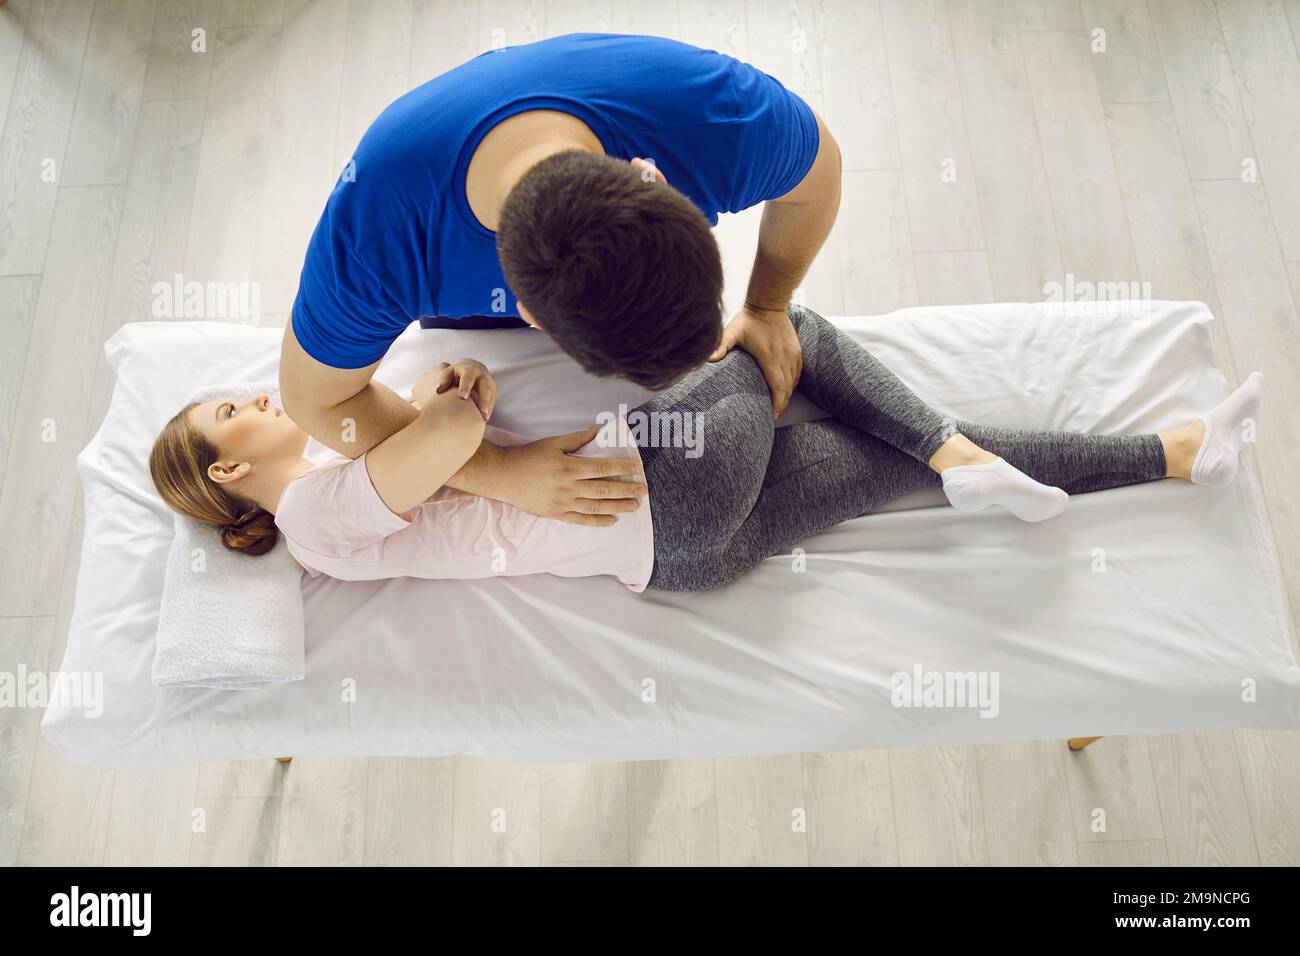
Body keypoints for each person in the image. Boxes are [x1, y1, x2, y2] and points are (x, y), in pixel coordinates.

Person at [151, 306, 1263, 593]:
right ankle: (943, 440)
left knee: (898, 474)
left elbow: (446, 438)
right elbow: (447, 438)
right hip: (661, 482)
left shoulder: (340, 494)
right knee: (780, 332)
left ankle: (1168, 455)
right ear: (231, 474)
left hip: (679, 559)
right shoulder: (308, 515)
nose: (258, 396)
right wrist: (453, 404)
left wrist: (458, 392)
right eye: (231, 414)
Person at [278, 33, 840, 529]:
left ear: (653, 175)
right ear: (529, 314)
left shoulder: (713, 115)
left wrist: (767, 305)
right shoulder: (377, 237)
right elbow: (316, 403)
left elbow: (820, 173)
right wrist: (497, 472)